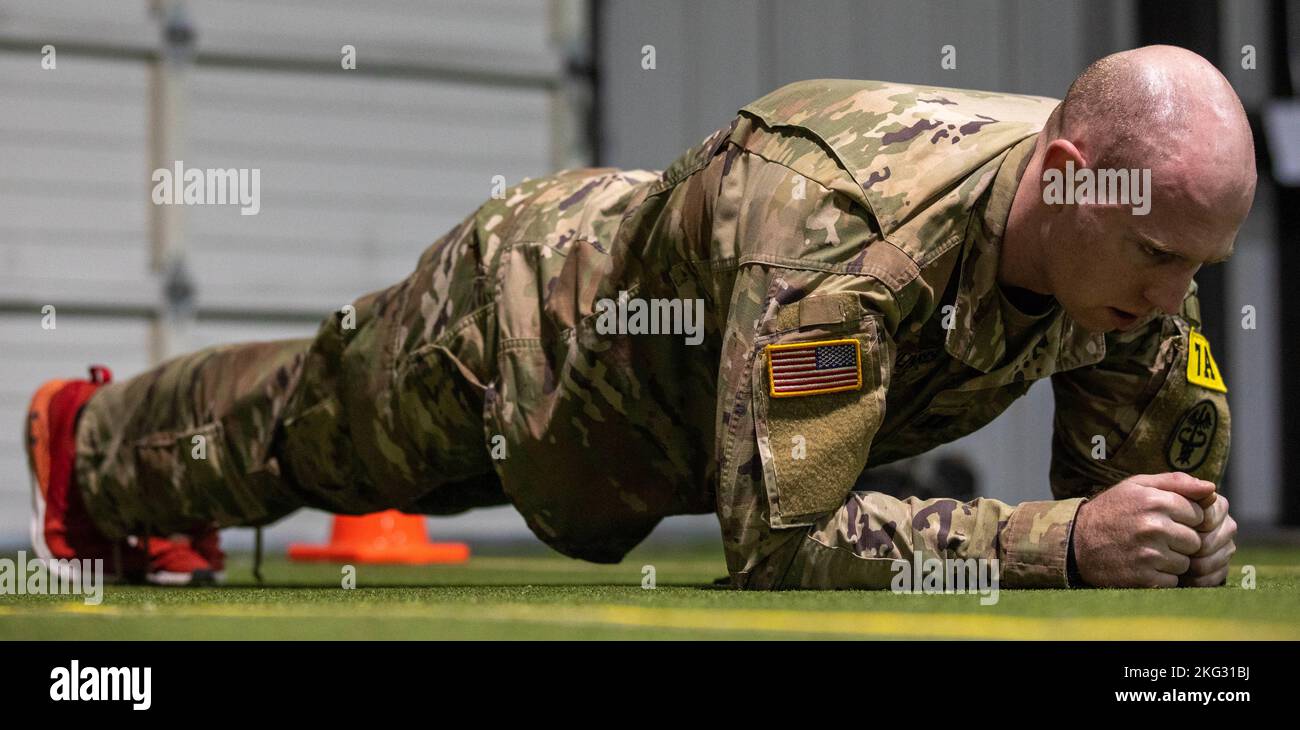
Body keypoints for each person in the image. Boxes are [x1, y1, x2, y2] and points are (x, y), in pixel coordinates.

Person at [26, 45, 1248, 589]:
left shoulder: (1133, 234)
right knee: (313, 435)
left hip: (666, 415)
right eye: (1156, 255)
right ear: (1071, 169)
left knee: (334, 451)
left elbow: (1135, 493)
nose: (1170, 295)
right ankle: (91, 447)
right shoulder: (845, 235)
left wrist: (1165, 532)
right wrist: (1058, 541)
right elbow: (783, 544)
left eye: (1201, 261)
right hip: (530, 334)